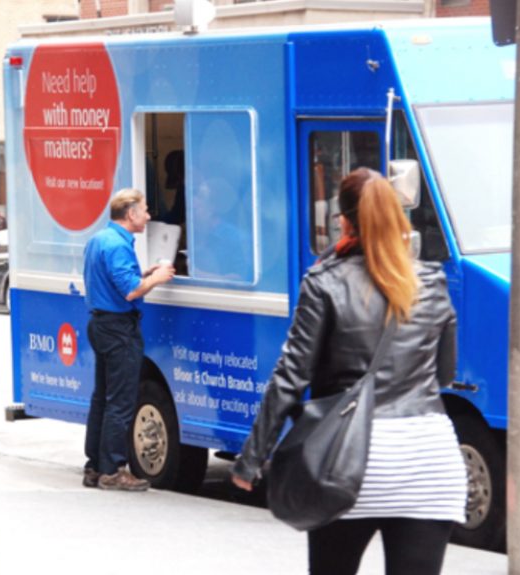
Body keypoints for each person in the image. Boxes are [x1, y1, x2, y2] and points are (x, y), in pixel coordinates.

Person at [231, 168, 467, 575]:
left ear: (342, 220)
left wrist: (252, 458)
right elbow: (444, 375)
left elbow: (291, 376)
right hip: (431, 463)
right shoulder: (431, 281)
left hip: (348, 461)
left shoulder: (325, 281)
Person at [82, 188, 175, 491]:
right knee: (121, 401)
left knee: (102, 397)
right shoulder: (119, 246)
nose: (149, 216)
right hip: (119, 329)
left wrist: (143, 274)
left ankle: (94, 466)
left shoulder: (99, 240)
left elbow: (116, 280)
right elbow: (130, 291)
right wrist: (155, 279)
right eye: (145, 210)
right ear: (131, 214)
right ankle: (113, 471)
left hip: (100, 324)